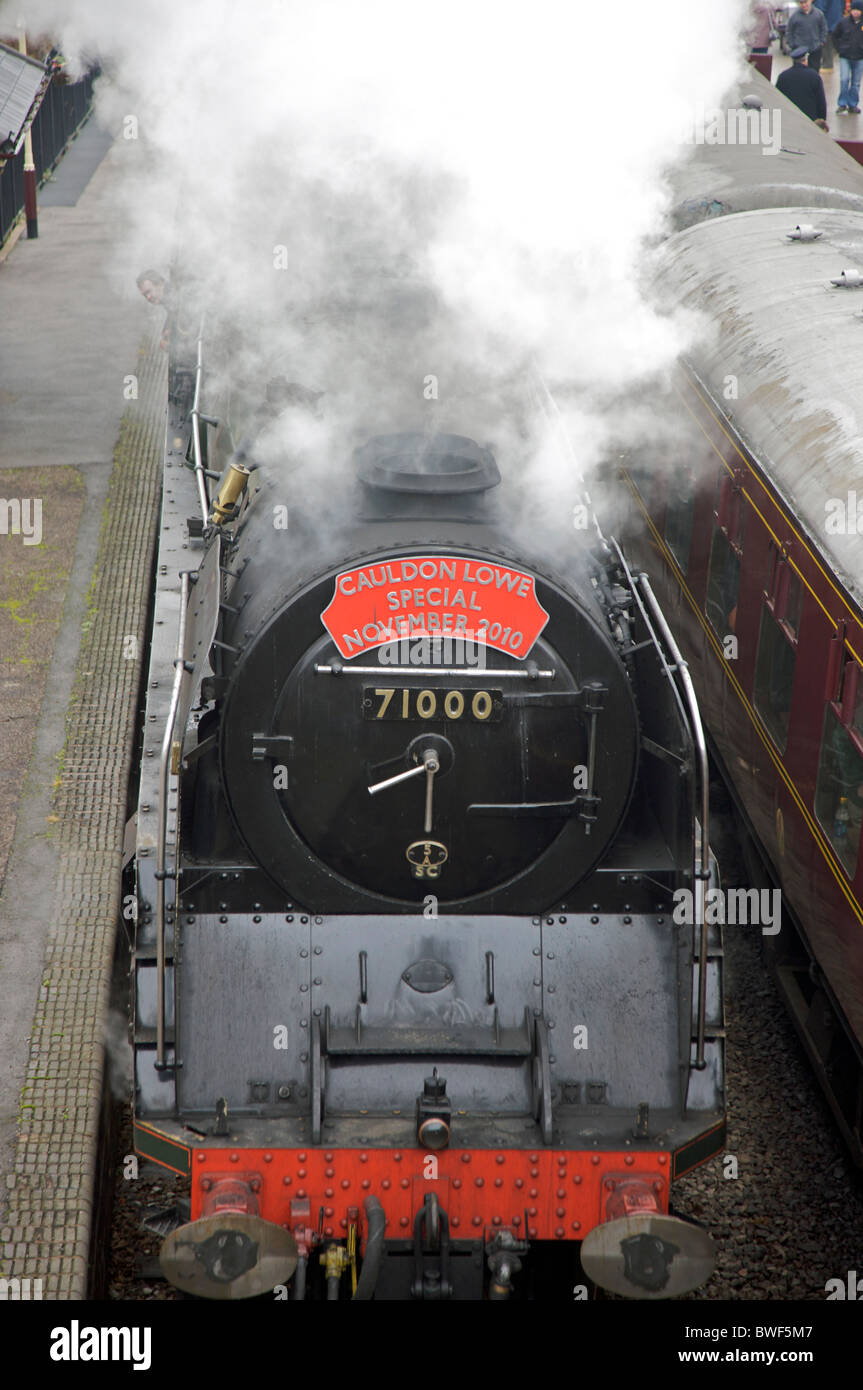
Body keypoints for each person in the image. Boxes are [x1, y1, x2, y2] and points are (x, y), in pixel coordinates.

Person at [776, 46, 829, 124]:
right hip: (810, 121)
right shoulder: (814, 76)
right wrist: (822, 120)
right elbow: (821, 102)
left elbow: (777, 99)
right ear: (805, 60)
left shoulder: (783, 76)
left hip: (788, 120)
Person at [833, 1, 863, 110]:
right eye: (853, 10)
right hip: (845, 56)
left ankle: (853, 104)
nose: (855, 12)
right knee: (844, 79)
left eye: (858, 10)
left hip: (859, 57)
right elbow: (835, 36)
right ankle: (842, 103)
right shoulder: (843, 22)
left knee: (856, 83)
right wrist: (839, 49)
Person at [135, 269, 175, 351]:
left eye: (148, 291)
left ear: (160, 284)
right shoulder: (169, 301)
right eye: (144, 295)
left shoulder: (175, 297)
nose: (148, 297)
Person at [787, 0, 829, 67]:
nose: (803, 5)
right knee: (800, 73)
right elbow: (789, 31)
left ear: (810, 1)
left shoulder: (818, 14)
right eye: (801, 3)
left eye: (805, 2)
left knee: (814, 72)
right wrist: (792, 45)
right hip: (799, 50)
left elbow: (824, 29)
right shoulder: (794, 16)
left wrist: (821, 42)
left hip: (815, 49)